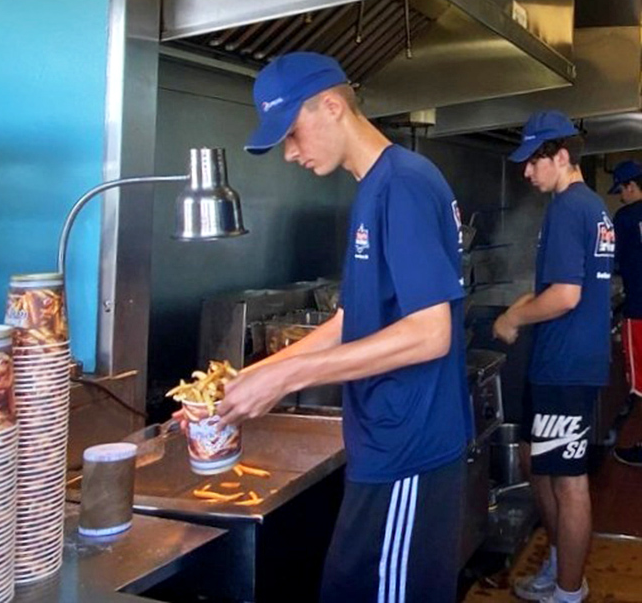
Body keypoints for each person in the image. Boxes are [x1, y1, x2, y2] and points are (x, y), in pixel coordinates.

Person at [218, 51, 472, 603]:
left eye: (291, 134)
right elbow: (350, 319)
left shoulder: (402, 184)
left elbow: (431, 333)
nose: (290, 153)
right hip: (382, 443)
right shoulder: (374, 187)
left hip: (409, 449)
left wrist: (288, 379)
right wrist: (250, 376)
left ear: (331, 106)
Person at [493, 111, 613, 603]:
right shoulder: (590, 207)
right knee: (537, 463)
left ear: (561, 157)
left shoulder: (569, 207)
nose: (526, 171)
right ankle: (561, 567)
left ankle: (568, 591)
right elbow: (557, 286)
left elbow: (565, 296)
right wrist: (523, 305)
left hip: (567, 364)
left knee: (568, 481)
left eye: (533, 161)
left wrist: (515, 318)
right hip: (562, 360)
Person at [608, 160, 642, 467]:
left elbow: (610, 260)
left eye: (620, 189)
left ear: (631, 186)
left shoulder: (626, 217)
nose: (620, 196)